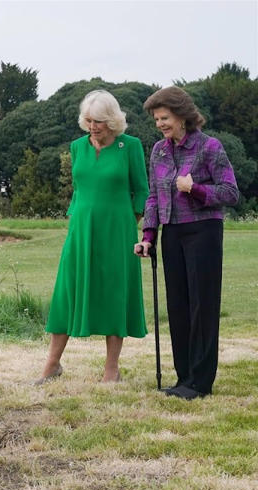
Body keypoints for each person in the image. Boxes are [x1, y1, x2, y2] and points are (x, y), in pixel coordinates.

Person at [35, 90, 149, 385]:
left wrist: (130, 221)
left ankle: (111, 369)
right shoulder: (76, 147)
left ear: (111, 120)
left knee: (114, 292)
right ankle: (52, 364)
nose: (93, 126)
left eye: (98, 120)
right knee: (66, 292)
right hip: (81, 230)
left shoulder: (130, 146)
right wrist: (77, 219)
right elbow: (79, 189)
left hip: (118, 231)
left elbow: (142, 191)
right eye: (88, 120)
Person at [134, 86, 239, 400]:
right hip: (173, 233)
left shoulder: (210, 147)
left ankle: (200, 382)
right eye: (156, 119)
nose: (160, 124)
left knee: (201, 306)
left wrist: (196, 189)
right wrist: (149, 236)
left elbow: (231, 193)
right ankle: (184, 379)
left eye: (164, 117)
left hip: (204, 231)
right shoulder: (159, 151)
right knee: (178, 306)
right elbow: (154, 196)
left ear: (182, 115)